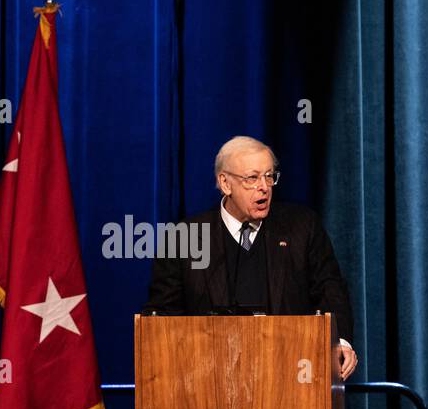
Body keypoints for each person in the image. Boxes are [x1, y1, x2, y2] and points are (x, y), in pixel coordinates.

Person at [145, 136, 358, 379]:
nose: (264, 187)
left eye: (269, 176)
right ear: (225, 183)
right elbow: (161, 316)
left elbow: (330, 289)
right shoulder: (185, 238)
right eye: (252, 178)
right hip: (207, 382)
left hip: (291, 376)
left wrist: (340, 342)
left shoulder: (301, 227)